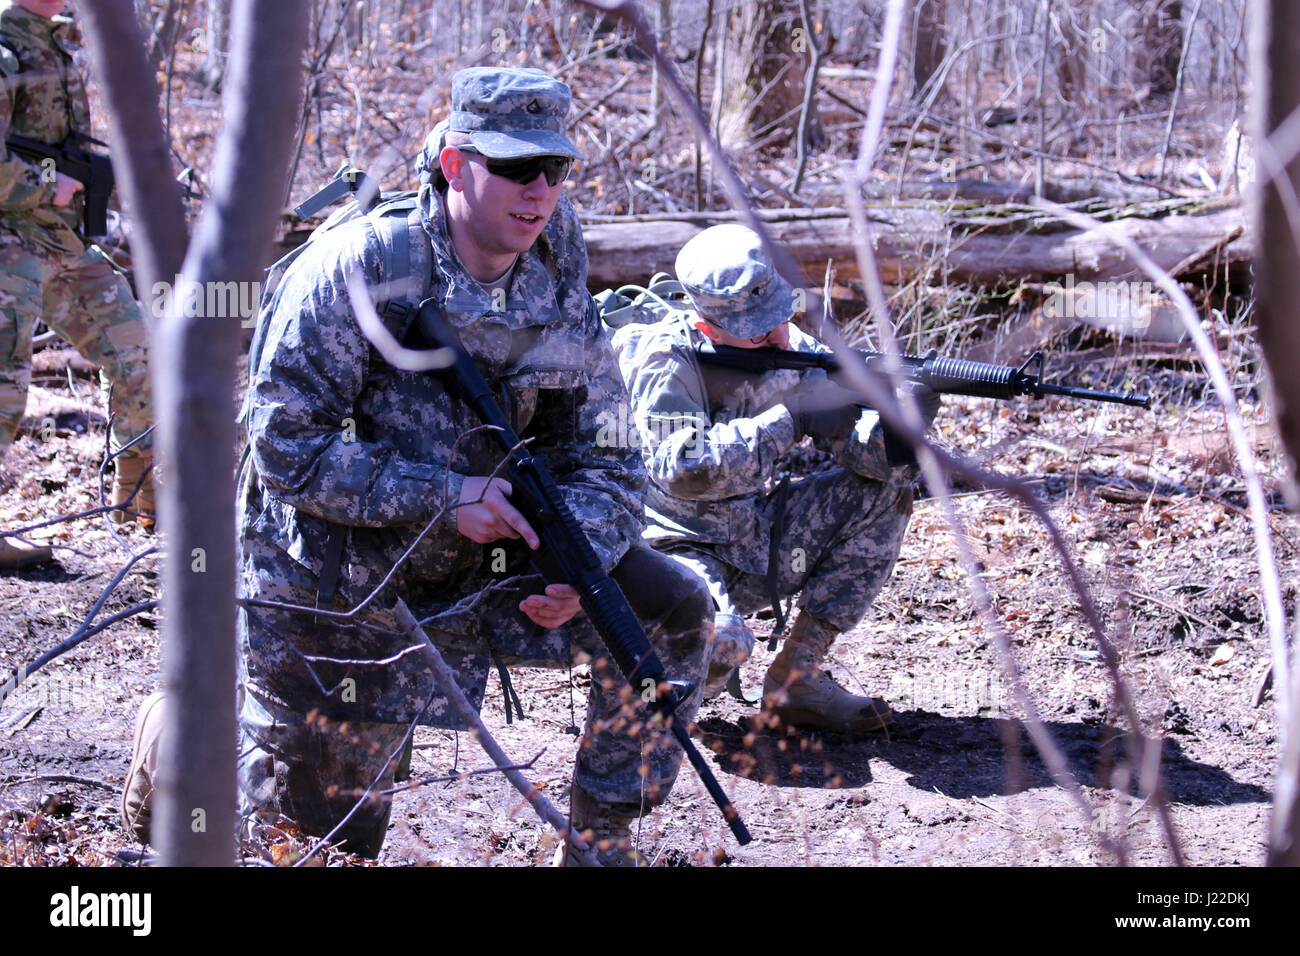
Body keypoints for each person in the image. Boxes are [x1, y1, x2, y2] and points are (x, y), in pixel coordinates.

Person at [124, 67, 712, 865]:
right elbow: (287, 452)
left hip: (490, 566)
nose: (537, 190)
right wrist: (444, 499)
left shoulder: (557, 279)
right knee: (327, 842)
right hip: (337, 584)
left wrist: (583, 558)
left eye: (555, 169)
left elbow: (607, 453)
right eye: (512, 167)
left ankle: (600, 841)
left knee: (669, 610)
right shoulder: (356, 269)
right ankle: (187, 727)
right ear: (455, 164)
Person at [610, 224, 940, 733]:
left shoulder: (790, 348)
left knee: (883, 495)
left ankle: (797, 680)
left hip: (749, 535)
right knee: (723, 645)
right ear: (708, 328)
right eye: (760, 331)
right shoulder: (663, 361)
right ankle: (655, 701)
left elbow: (868, 461)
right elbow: (684, 470)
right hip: (670, 552)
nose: (780, 337)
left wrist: (901, 428)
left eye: (781, 318)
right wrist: (793, 419)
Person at [0, 0, 155, 569]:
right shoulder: (6, 44)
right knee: (4, 385)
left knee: (138, 349)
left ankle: (136, 498)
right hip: (7, 240)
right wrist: (50, 183)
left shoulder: (52, 39)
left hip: (57, 241)